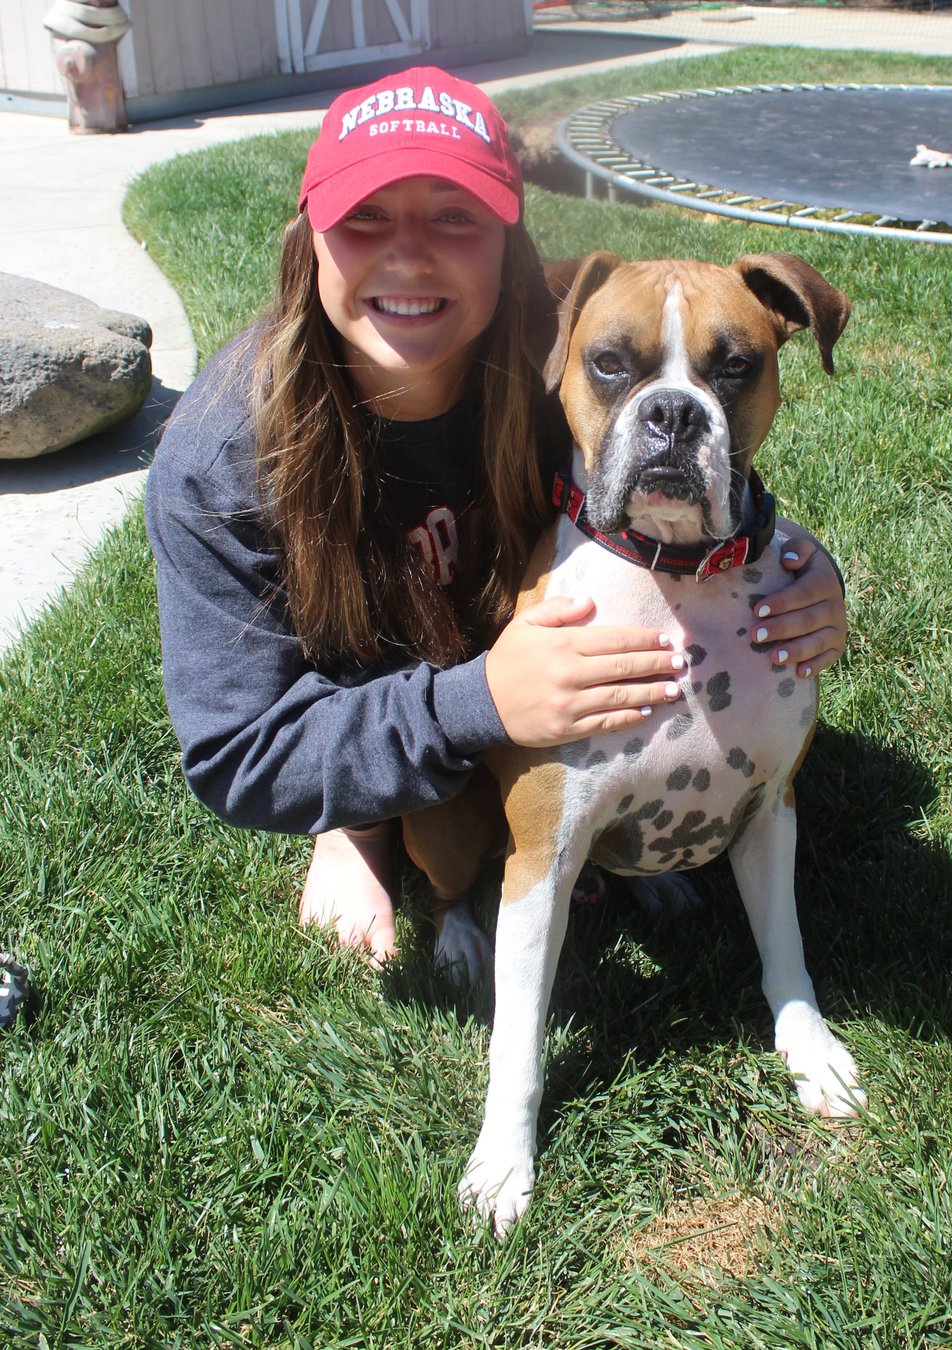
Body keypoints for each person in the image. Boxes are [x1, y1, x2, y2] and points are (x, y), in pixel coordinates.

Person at [145, 65, 849, 972]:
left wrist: (788, 555)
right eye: (365, 217)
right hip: (378, 696)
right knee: (390, 793)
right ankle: (361, 821)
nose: (408, 253)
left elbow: (691, 447)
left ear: (507, 246)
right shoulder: (221, 459)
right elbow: (242, 751)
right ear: (308, 237)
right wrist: (478, 704)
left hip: (538, 660)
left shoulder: (571, 354)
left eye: (453, 217)